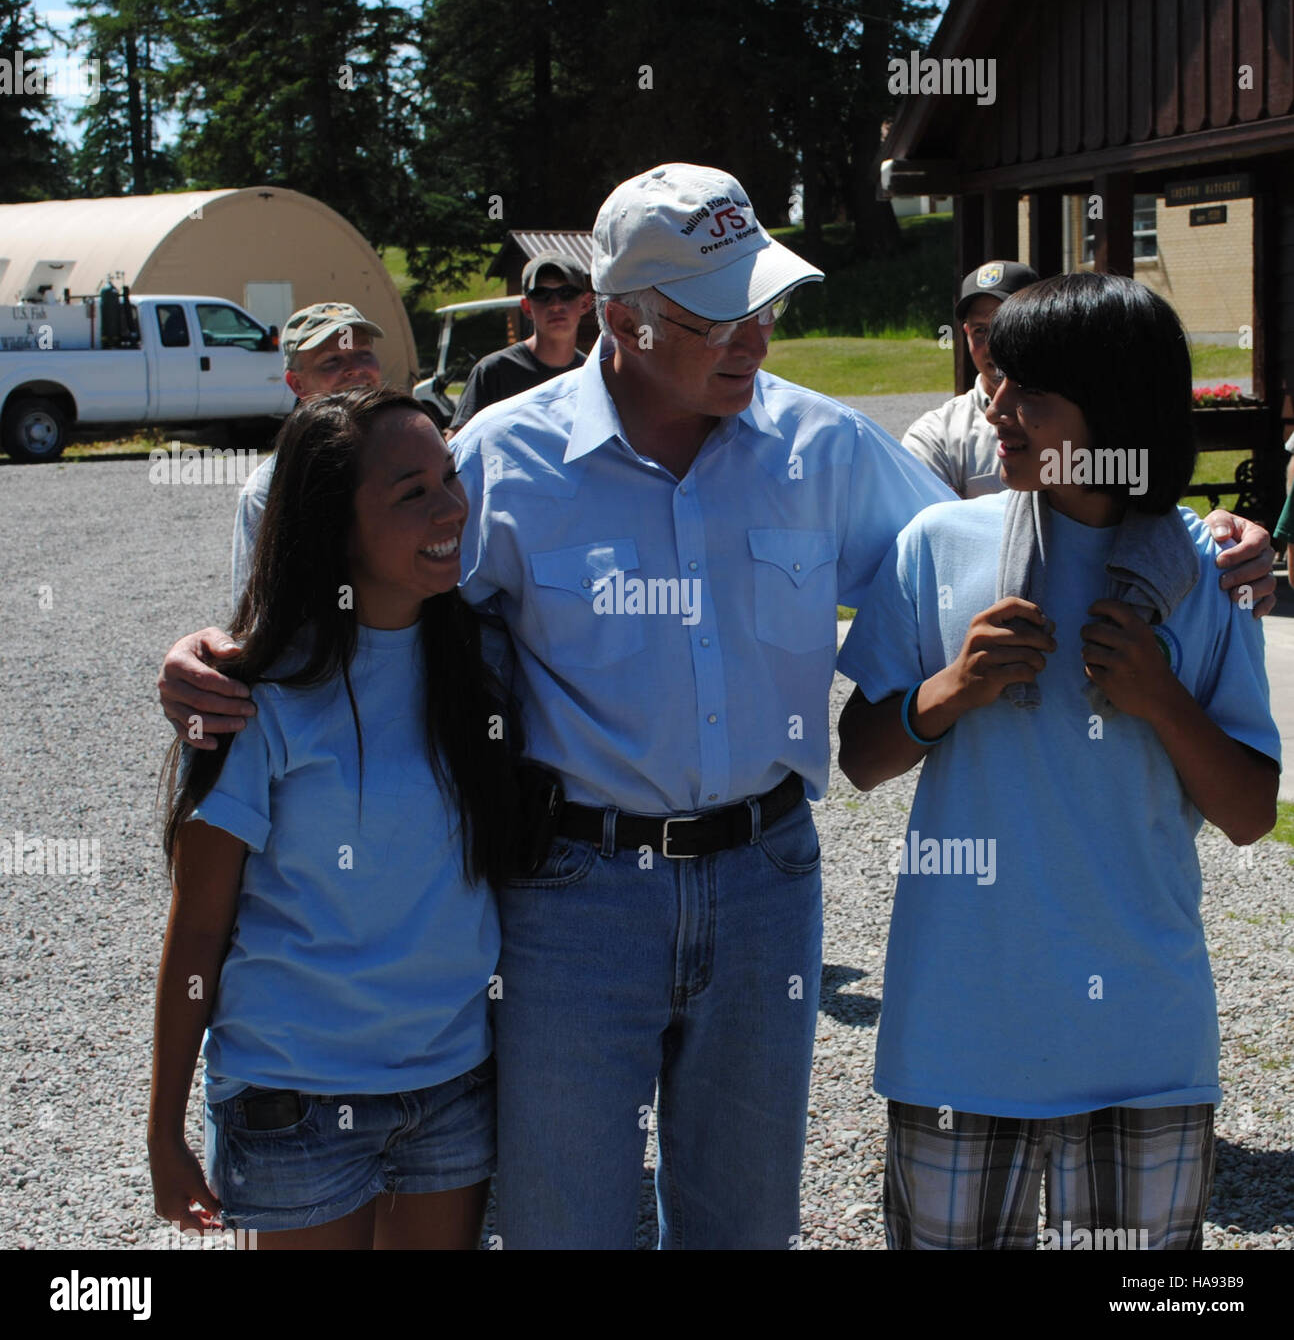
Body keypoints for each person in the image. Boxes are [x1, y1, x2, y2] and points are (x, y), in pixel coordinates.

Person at [156, 164, 1277, 1250]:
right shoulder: (502, 455)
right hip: (571, 892)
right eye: (719, 314)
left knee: (743, 1225)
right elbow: (354, 561)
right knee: (565, 1223)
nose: (754, 337)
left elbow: (1005, 527)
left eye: (765, 307)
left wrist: (1198, 534)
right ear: (620, 316)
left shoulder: (822, 447)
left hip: (762, 886)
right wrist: (212, 653)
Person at [836, 272, 1280, 1251]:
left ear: (1112, 406)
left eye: (1025, 390)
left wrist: (1159, 697)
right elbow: (858, 759)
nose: (992, 407)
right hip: (954, 1039)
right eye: (991, 379)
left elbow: (1250, 812)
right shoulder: (935, 543)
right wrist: (948, 690)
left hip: (1144, 1044)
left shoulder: (1203, 570)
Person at [148, 385, 519, 1249]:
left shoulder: (484, 660)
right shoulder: (252, 699)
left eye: (451, 477)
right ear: (332, 525)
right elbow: (198, 928)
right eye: (411, 492)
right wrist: (165, 1130)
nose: (451, 508)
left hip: (452, 1087)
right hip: (293, 1098)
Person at [231, 302, 385, 605]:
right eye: (332, 361)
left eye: (363, 353)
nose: (355, 368)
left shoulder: (420, 456)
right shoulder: (271, 490)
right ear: (296, 383)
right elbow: (255, 613)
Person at [902, 260, 1039, 498]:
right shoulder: (937, 434)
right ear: (965, 333)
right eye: (980, 331)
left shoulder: (1070, 418)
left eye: (1005, 326)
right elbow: (930, 524)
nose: (993, 346)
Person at [448, 252, 593, 434]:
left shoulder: (592, 376)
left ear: (586, 303)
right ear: (526, 307)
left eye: (566, 293)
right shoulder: (493, 373)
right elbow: (457, 450)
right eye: (542, 294)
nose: (556, 305)